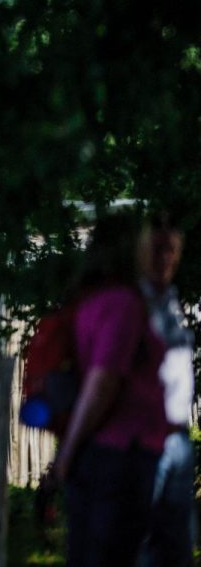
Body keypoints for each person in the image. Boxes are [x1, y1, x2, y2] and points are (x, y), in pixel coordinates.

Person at [51, 211, 169, 567]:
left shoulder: (90, 302)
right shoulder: (124, 305)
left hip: (101, 455)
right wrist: (68, 453)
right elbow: (102, 382)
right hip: (118, 457)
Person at [138, 213, 194, 567]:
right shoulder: (134, 304)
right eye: (158, 249)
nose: (165, 258)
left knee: (176, 545)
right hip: (147, 439)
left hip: (178, 440)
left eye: (171, 250)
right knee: (143, 541)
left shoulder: (171, 302)